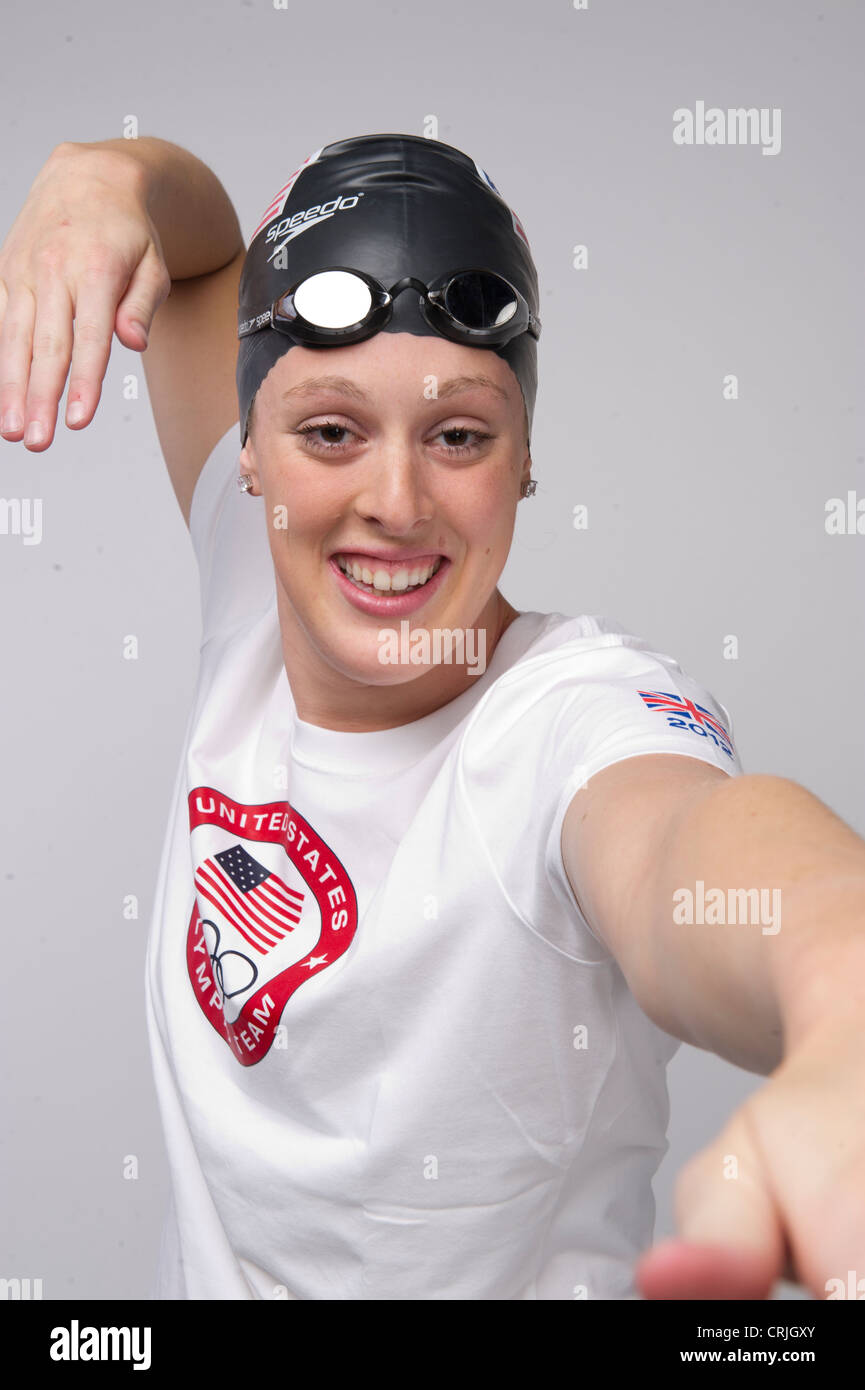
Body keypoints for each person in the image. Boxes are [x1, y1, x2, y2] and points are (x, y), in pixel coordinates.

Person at [2, 132, 863, 1303]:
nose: (393, 505)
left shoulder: (570, 720)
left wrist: (843, 1014)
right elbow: (205, 268)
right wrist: (111, 171)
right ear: (248, 453)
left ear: (523, 459)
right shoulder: (255, 589)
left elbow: (692, 849)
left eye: (459, 433)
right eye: (330, 431)